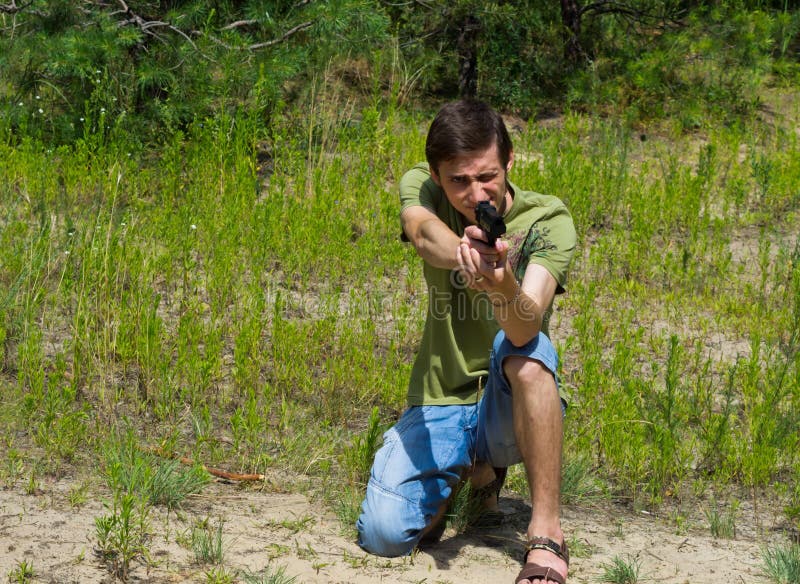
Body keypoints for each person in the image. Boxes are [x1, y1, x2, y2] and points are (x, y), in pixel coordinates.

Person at [356, 100, 577, 584]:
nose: (476, 192)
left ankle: (546, 531)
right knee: (385, 534)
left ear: (510, 161)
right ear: (436, 174)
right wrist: (464, 253)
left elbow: (525, 326)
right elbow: (420, 230)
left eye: (487, 177)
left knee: (530, 354)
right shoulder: (423, 183)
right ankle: (472, 475)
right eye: (458, 181)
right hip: (441, 394)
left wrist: (500, 284)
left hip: (506, 401)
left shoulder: (548, 220)